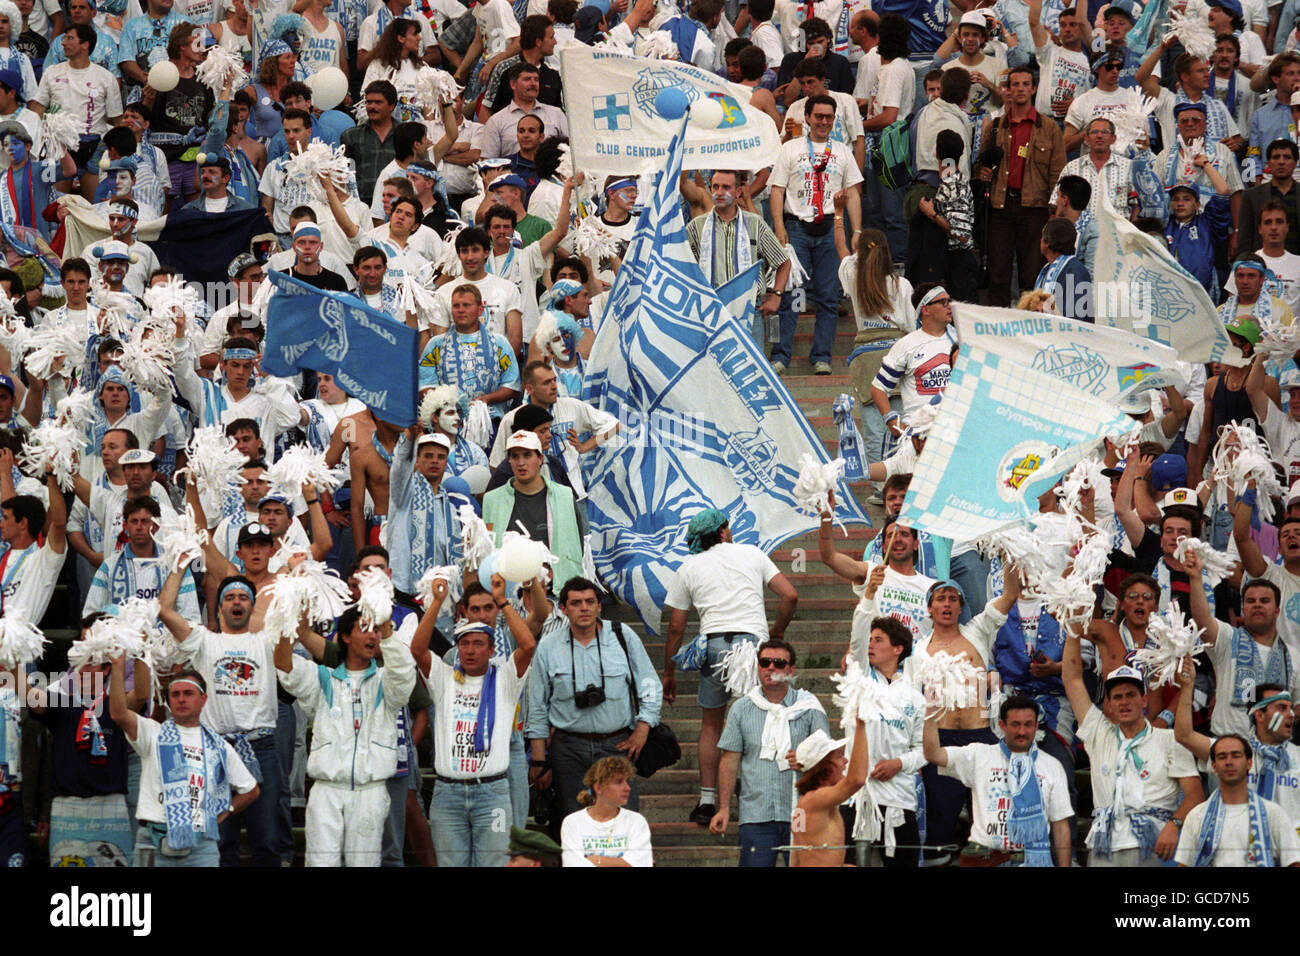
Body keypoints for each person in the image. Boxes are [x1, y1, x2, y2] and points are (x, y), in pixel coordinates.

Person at [662, 506, 798, 825]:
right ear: (724, 531)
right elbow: (790, 596)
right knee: (758, 723)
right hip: (754, 648)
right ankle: (757, 796)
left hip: (712, 645)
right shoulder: (751, 554)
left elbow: (675, 628)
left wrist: (669, 673)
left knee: (712, 723)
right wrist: (776, 633)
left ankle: (708, 800)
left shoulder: (689, 566)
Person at [156, 566, 284, 867]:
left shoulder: (268, 640)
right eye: (230, 597)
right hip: (215, 749)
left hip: (261, 746)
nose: (237, 602)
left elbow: (298, 618)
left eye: (243, 597)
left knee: (267, 840)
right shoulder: (204, 639)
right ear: (219, 605)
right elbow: (163, 610)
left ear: (252, 606)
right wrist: (179, 564)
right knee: (219, 839)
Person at [275, 605, 416, 866]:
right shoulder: (323, 678)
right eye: (365, 629)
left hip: (370, 791)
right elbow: (284, 666)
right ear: (345, 636)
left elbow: (405, 674)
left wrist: (388, 631)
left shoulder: (387, 680)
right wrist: (288, 616)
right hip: (326, 791)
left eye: (376, 630)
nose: (372, 636)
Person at [413, 573, 536, 867]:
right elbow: (417, 650)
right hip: (448, 792)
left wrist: (503, 601)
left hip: (491, 793)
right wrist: (438, 602)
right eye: (464, 643)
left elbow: (528, 645)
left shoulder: (505, 679)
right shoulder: (444, 678)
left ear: (492, 650)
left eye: (478, 643)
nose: (470, 650)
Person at [1061, 627, 1203, 867]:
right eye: (1117, 697)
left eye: (1131, 695)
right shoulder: (1099, 734)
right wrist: (1073, 630)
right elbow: (1072, 679)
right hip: (1104, 846)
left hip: (1152, 844)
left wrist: (1174, 824)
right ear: (1108, 704)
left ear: (1144, 700)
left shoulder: (1168, 739)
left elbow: (1195, 794)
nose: (1124, 702)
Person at [525, 577, 662, 817]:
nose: (584, 608)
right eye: (576, 603)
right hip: (568, 749)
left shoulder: (622, 636)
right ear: (564, 609)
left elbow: (649, 683)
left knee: (623, 818)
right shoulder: (548, 646)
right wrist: (539, 761)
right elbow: (536, 706)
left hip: (617, 744)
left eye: (590, 601)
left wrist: (643, 727)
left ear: (600, 606)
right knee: (574, 820)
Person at [109, 662, 260, 867]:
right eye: (175, 694)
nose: (181, 699)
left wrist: (227, 810)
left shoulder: (219, 745)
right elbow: (118, 713)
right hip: (153, 839)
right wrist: (118, 666)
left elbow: (251, 790)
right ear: (169, 701)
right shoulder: (153, 733)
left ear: (203, 699)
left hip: (201, 844)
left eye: (188, 693)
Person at [709, 638, 828, 866]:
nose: (771, 667)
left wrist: (808, 759)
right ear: (758, 666)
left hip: (802, 812)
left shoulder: (810, 706)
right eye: (765, 662)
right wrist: (723, 808)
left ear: (791, 670)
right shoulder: (741, 709)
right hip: (756, 816)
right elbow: (729, 761)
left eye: (779, 663)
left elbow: (828, 752)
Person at [769, 92, 863, 376]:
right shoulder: (791, 149)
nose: (824, 122)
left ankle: (821, 355)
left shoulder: (843, 151)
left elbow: (854, 193)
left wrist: (856, 230)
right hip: (796, 227)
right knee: (791, 295)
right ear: (807, 117)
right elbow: (777, 190)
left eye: (829, 117)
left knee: (828, 296)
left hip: (830, 231)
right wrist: (779, 226)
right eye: (819, 116)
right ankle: (780, 355)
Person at [923, 694, 1073, 866]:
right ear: (1002, 725)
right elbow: (933, 755)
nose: (1022, 732)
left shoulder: (1052, 766)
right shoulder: (980, 754)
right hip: (983, 857)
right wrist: (930, 718)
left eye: (1028, 725)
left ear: (1036, 726)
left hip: (1031, 860)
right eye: (1015, 724)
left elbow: (1061, 827)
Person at [1184, 547, 1300, 737]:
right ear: (1243, 609)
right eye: (1250, 601)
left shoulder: (1294, 655)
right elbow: (1202, 620)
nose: (1257, 605)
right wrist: (1196, 577)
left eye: (1264, 600)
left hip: (1275, 753)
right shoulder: (1228, 639)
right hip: (1228, 750)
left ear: (1277, 611)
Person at [980, 64, 1066, 308]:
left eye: (1025, 84)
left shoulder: (1049, 128)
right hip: (1000, 207)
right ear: (1007, 89)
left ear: (1034, 88)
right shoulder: (995, 126)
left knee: (1033, 273)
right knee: (998, 273)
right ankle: (997, 326)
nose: (1020, 89)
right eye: (1015, 84)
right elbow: (980, 165)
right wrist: (984, 171)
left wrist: (1054, 214)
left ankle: (1032, 326)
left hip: (1035, 209)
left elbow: (1057, 173)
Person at [1174, 733, 1300, 866]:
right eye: (1222, 757)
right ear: (1214, 766)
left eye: (1236, 756)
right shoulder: (1197, 816)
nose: (1229, 762)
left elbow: (1294, 863)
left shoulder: (1274, 814)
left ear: (1249, 763)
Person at [483, 429, 584, 587]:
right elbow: (487, 549)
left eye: (527, 455)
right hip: (511, 593)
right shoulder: (491, 500)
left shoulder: (564, 495)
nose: (521, 462)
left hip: (559, 591)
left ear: (540, 458)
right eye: (515, 456)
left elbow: (578, 545)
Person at [32, 22, 121, 199]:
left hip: (93, 145)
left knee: (95, 207)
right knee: (57, 205)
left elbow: (117, 120)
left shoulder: (106, 78)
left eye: (69, 38)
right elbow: (37, 109)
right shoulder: (52, 72)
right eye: (64, 38)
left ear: (85, 44)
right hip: (59, 146)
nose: (63, 43)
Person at [418, 282, 522, 419]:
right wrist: (449, 402)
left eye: (466, 305)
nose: (461, 310)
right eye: (456, 306)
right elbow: (425, 386)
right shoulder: (436, 345)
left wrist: (486, 399)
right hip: (448, 421)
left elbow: (512, 386)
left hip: (490, 420)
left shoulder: (499, 343)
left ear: (480, 309)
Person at [870, 283, 955, 437]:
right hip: (918, 434)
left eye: (950, 301)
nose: (949, 306)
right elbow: (878, 388)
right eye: (943, 302)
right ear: (925, 309)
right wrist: (892, 421)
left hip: (955, 430)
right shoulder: (906, 345)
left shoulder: (961, 340)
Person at [789, 717, 868, 867]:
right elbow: (856, 780)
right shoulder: (817, 799)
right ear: (824, 766)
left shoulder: (804, 804)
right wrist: (861, 726)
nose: (845, 760)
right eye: (839, 756)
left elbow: (797, 856)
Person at [559, 756, 653, 866]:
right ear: (598, 788)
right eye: (618, 782)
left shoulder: (636, 821)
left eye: (627, 781)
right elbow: (573, 864)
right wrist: (622, 863)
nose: (627, 788)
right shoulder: (573, 822)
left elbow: (642, 864)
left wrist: (597, 859)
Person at [478, 61, 567, 160]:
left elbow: (573, 150)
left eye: (536, 80)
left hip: (550, 173)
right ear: (513, 84)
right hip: (512, 173)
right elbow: (488, 161)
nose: (533, 84)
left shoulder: (556, 114)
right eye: (527, 79)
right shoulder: (496, 121)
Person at [1053, 115, 1134, 215]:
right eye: (1094, 132)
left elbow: (1136, 205)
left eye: (1105, 132)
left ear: (1113, 138)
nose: (1099, 136)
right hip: (1080, 229)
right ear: (1086, 139)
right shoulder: (1071, 168)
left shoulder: (1128, 167)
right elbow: (1056, 204)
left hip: (1119, 229)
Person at [1237, 139, 1300, 256]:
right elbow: (1244, 240)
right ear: (1269, 163)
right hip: (1263, 268)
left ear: (1295, 163)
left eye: (1287, 157)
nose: (1281, 162)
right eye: (1276, 157)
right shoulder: (1252, 196)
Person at [1034, 216, 1091, 322]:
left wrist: (1046, 308)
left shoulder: (1076, 272)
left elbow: (1076, 317)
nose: (1040, 240)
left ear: (1047, 243)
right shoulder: (1046, 270)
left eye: (1042, 236)